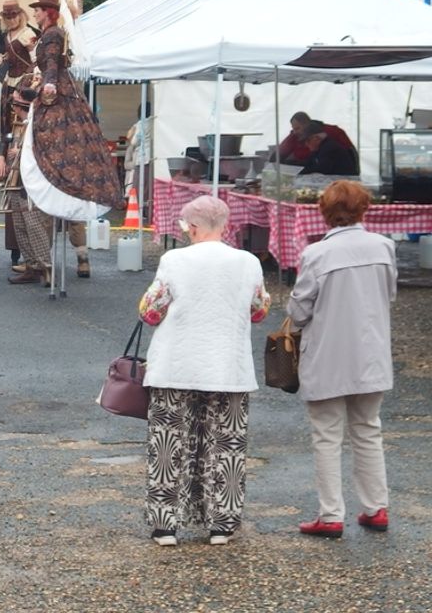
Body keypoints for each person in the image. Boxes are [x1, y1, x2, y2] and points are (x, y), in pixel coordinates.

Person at [137, 195, 270, 546]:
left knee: (168, 446)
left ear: (192, 227)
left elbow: (150, 311)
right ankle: (221, 524)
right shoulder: (248, 262)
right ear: (225, 226)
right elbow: (258, 310)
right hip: (229, 367)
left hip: (175, 365)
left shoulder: (174, 260)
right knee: (225, 446)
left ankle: (165, 526)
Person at [287, 180, 397, 539]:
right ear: (364, 208)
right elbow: (389, 293)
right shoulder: (384, 247)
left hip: (328, 354)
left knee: (327, 435)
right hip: (371, 352)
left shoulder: (317, 254)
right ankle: (375, 506)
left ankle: (331, 513)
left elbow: (299, 311)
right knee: (368, 430)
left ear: (324, 211)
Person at [19, 0, 123, 276]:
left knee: (53, 150)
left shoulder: (52, 35)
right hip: (60, 91)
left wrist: (49, 85)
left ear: (50, 12)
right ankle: (75, 257)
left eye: (38, 10)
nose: (36, 14)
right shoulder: (50, 34)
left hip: (58, 93)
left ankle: (54, 259)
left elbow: (52, 64)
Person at [0, 0, 53, 283]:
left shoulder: (31, 34)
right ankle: (31, 262)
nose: (11, 18)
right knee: (17, 206)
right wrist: (3, 154)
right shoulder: (6, 37)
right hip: (13, 92)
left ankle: (44, 264)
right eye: (7, 15)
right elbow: (8, 127)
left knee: (30, 210)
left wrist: (31, 80)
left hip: (27, 84)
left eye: (14, 14)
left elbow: (39, 61)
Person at [275, 111, 355, 166]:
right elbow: (280, 152)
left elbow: (350, 153)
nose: (295, 132)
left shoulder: (333, 132)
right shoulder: (294, 136)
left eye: (297, 128)